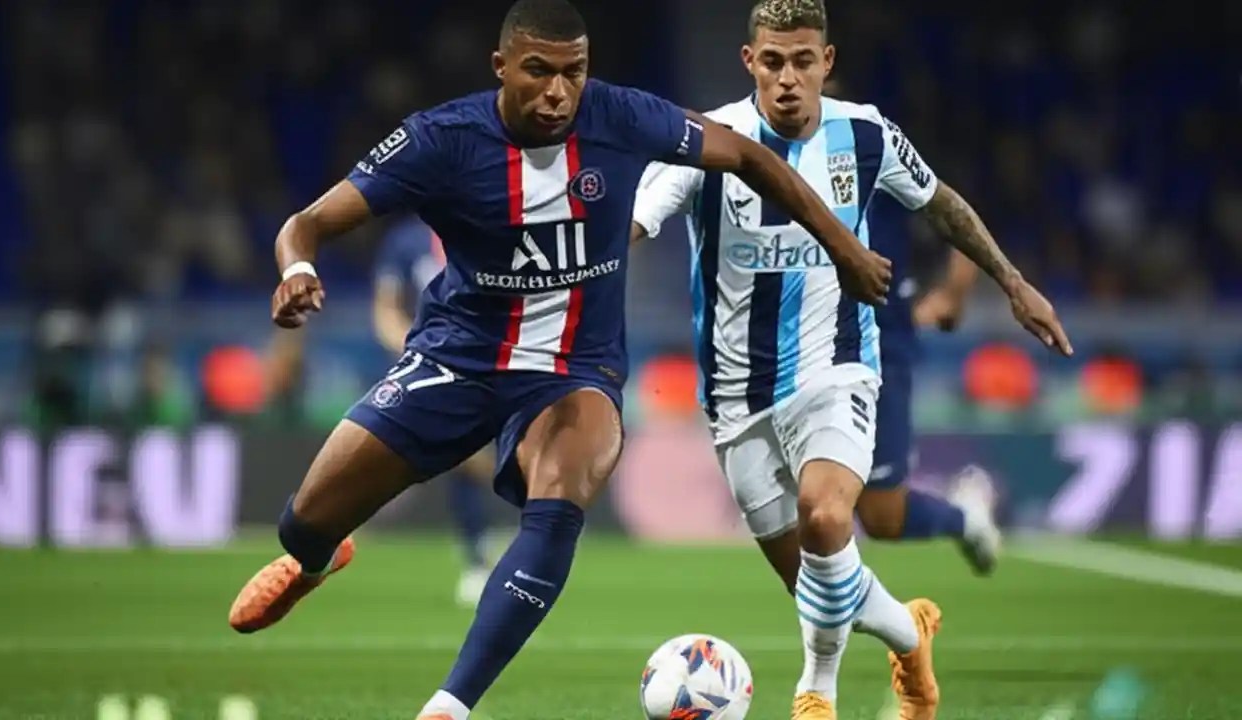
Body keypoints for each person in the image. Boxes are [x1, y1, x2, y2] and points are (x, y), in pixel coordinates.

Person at [225, 1, 892, 719]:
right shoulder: (439, 140)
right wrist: (296, 269)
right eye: (539, 72)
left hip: (576, 372)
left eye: (574, 73)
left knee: (562, 493)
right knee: (304, 523)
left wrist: (845, 249)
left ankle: (450, 706)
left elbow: (753, 156)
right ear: (502, 67)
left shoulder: (624, 117)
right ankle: (317, 560)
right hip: (457, 358)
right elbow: (310, 223)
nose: (558, 93)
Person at [630, 1, 1072, 718]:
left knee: (827, 519)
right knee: (817, 581)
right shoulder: (709, 142)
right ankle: (909, 632)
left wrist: (1012, 283)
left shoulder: (866, 133)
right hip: (735, 396)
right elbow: (636, 222)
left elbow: (942, 204)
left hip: (836, 367)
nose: (787, 79)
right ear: (750, 63)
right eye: (772, 61)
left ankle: (817, 692)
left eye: (803, 61)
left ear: (825, 63)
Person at [262, 215, 497, 608]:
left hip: (484, 361)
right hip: (420, 360)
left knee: (470, 460)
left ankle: (479, 556)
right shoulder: (406, 242)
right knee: (454, 458)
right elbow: (384, 309)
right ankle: (474, 557)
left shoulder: (483, 225)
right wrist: (416, 345)